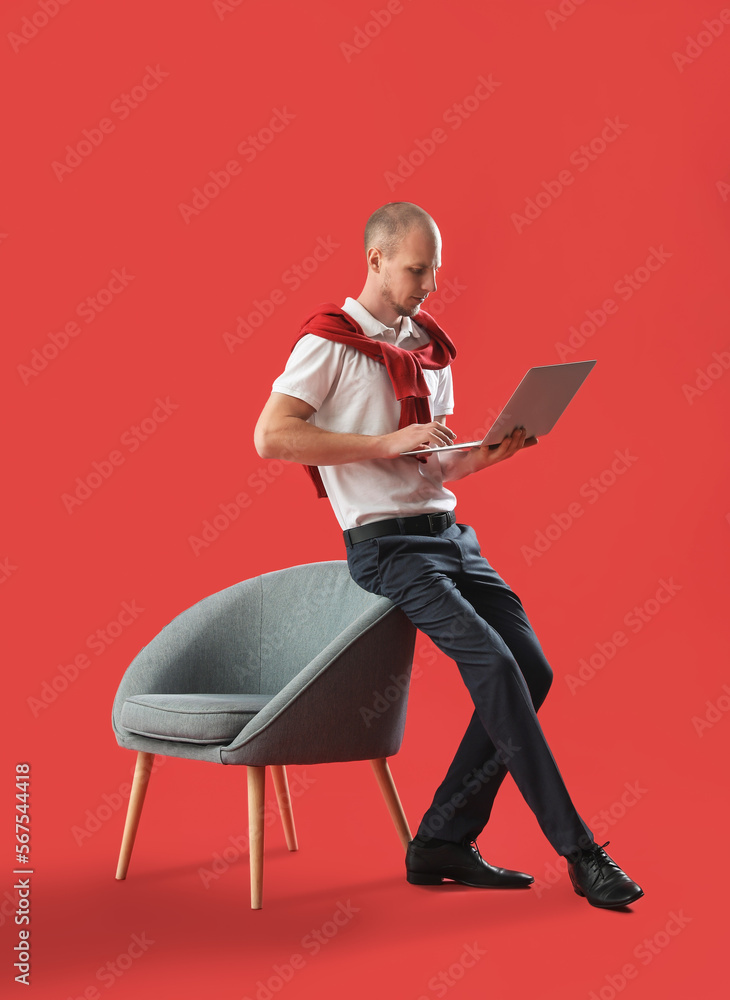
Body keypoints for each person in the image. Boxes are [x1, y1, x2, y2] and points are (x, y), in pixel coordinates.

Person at [254, 201, 643, 909]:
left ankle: (442, 839)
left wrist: (487, 455)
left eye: (434, 269)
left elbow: (429, 471)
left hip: (450, 537)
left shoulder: (428, 346)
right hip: (387, 548)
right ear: (374, 260)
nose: (429, 283)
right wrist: (381, 444)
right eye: (416, 268)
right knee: (493, 665)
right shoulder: (329, 342)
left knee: (531, 667)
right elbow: (271, 437)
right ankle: (580, 852)